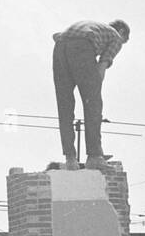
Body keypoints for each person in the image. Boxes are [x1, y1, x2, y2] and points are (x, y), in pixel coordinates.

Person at [52, 19, 130, 170]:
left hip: (60, 46)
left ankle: (70, 159)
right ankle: (94, 156)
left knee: (65, 106)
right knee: (93, 104)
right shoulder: (115, 37)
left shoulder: (96, 28)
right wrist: (94, 87)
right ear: (122, 32)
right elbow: (102, 66)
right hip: (82, 46)